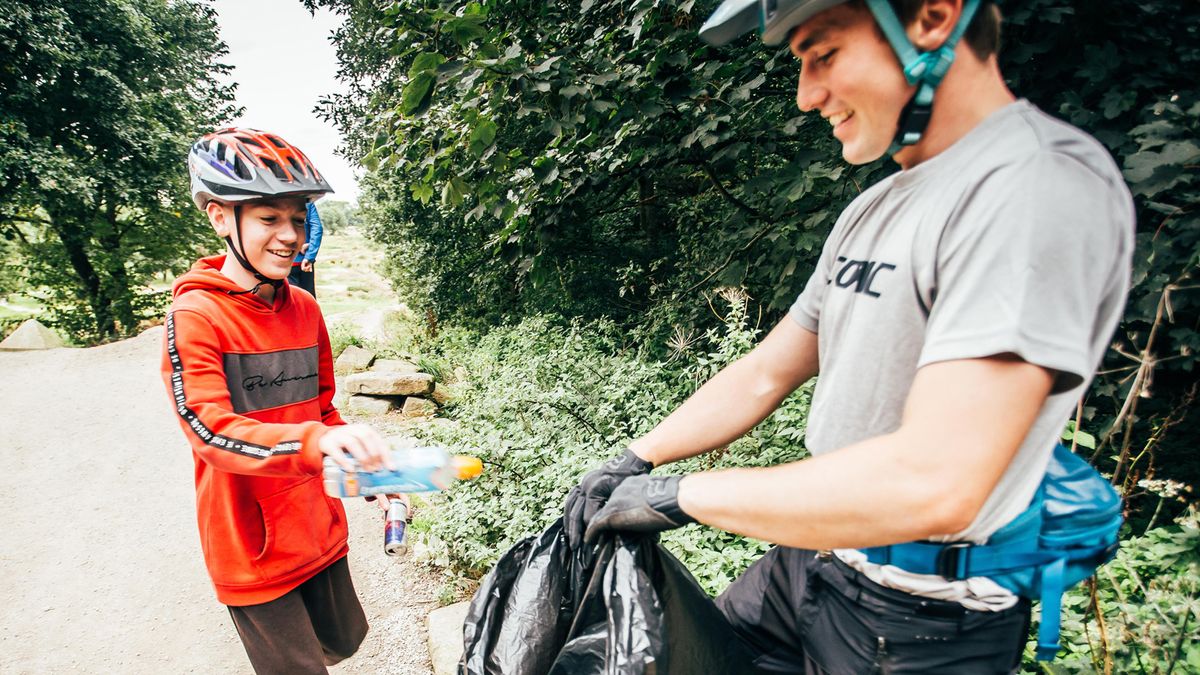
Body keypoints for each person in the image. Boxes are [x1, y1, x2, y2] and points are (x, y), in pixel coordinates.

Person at [564, 1, 1134, 672]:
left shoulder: (1032, 187)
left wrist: (682, 497)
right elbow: (766, 372)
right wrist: (638, 459)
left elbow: (936, 480)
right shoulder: (876, 206)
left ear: (932, 17)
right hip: (811, 565)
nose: (807, 96)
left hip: (919, 620)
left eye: (824, 54)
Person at [164, 127, 394, 673]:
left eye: (297, 218)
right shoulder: (197, 316)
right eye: (269, 218)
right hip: (250, 545)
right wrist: (321, 440)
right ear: (221, 217)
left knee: (343, 641)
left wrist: (374, 476)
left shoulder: (305, 311)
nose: (289, 235)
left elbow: (323, 411)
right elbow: (209, 430)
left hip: (317, 525)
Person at [288, 201, 324, 297]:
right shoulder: (307, 203)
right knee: (308, 299)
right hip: (305, 262)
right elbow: (317, 228)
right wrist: (310, 256)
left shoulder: (275, 200)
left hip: (285, 261)